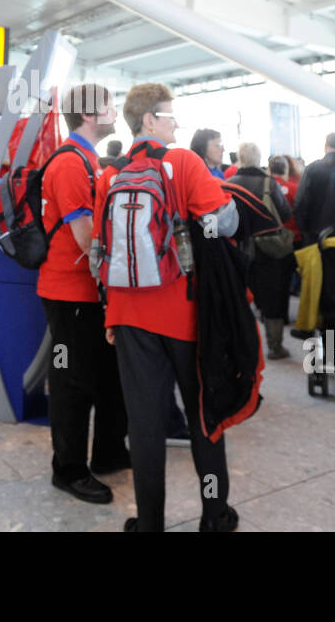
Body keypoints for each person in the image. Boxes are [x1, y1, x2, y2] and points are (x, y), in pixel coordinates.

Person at [96, 82, 239, 532]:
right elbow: (223, 224)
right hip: (185, 313)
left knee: (144, 426)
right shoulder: (183, 162)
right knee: (203, 416)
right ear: (149, 121)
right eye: (170, 114)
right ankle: (214, 515)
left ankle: (150, 522)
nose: (177, 121)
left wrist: (111, 313)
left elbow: (101, 253)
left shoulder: (109, 175)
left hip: (127, 315)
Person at [38, 83, 128, 504]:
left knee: (105, 377)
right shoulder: (72, 164)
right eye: (109, 105)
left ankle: (107, 453)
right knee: (72, 381)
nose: (115, 111)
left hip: (88, 293)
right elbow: (85, 238)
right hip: (70, 293)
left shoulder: (88, 159)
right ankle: (68, 469)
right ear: (90, 115)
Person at [230, 142, 292, 358]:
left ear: (240, 158)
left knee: (242, 297)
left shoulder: (229, 183)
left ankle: (244, 346)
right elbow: (284, 214)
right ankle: (274, 346)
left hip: (240, 249)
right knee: (272, 297)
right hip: (269, 249)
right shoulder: (269, 183)